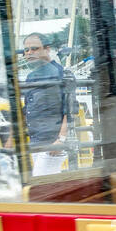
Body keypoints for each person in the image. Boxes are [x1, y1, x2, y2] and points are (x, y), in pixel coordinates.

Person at [20, 34, 76, 177]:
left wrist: (61, 139)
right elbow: (27, 109)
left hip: (53, 140)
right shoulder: (31, 77)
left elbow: (69, 110)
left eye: (34, 49)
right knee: (44, 183)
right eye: (26, 50)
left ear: (47, 49)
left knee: (41, 182)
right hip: (35, 140)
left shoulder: (62, 74)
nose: (29, 53)